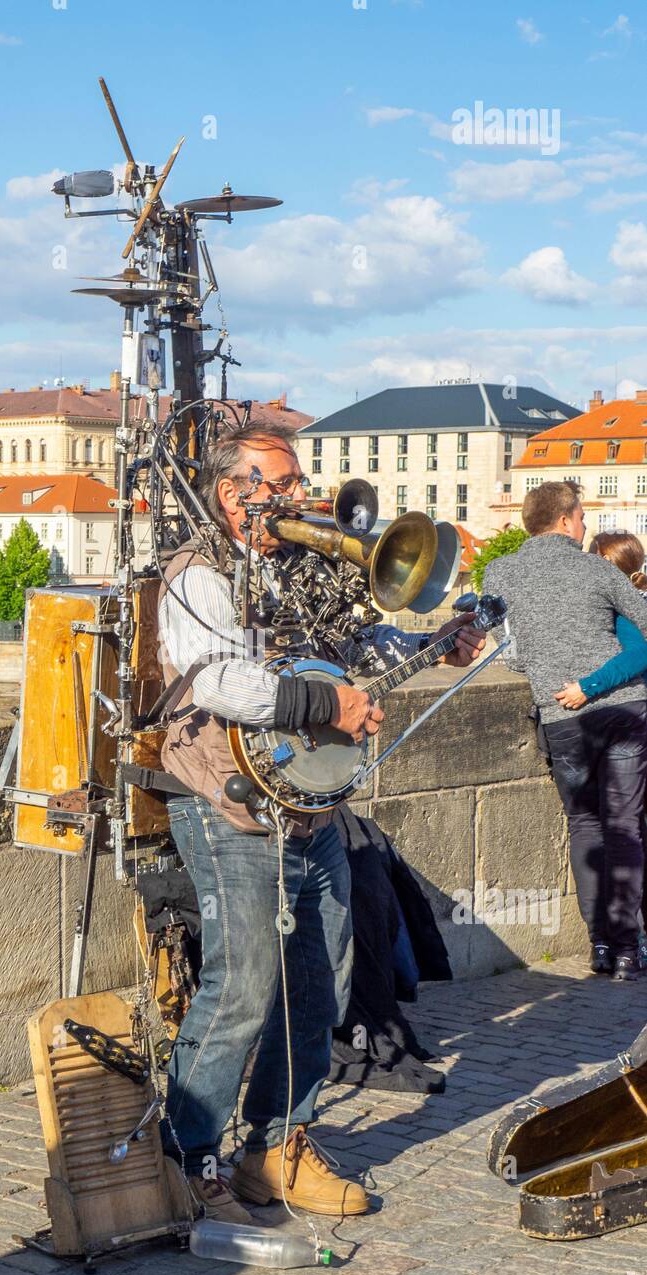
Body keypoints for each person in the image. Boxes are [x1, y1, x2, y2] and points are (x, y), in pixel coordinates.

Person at [157, 421, 485, 1222]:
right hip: (225, 804)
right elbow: (216, 683)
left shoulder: (303, 566)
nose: (295, 495)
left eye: (295, 479)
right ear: (234, 493)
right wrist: (322, 702)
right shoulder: (193, 575)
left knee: (319, 981)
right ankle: (187, 1159)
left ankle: (275, 1149)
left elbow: (357, 642)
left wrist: (433, 643)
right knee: (240, 988)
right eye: (278, 482)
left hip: (308, 807)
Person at [484, 485, 647, 983]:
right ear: (563, 520)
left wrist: (544, 667)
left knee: (585, 826)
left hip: (559, 717)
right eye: (580, 517)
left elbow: (502, 641)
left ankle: (598, 944)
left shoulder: (500, 572)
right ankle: (626, 949)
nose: (582, 527)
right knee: (624, 826)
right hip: (621, 711)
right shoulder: (596, 568)